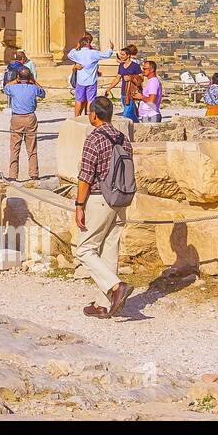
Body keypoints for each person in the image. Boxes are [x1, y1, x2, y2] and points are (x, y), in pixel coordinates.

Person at [73, 96, 135, 318]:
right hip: (121, 198)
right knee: (110, 248)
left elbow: (86, 176)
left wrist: (79, 205)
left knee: (85, 249)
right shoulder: (122, 137)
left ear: (94, 115)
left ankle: (116, 286)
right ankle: (104, 304)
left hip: (100, 199)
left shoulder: (94, 139)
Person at [4, 68, 46, 181]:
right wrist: (33, 81)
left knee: (14, 148)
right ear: (29, 77)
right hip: (30, 118)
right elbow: (43, 93)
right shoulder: (33, 88)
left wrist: (16, 80)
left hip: (17, 118)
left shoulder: (13, 88)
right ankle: (34, 173)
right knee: (32, 148)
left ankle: (13, 175)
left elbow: (5, 87)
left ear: (18, 76)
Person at [66, 34, 115, 117]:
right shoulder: (93, 53)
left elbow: (69, 54)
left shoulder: (77, 54)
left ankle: (76, 116)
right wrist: (111, 48)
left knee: (78, 100)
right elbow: (107, 55)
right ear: (88, 43)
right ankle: (89, 116)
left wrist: (76, 47)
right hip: (91, 81)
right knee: (90, 100)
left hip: (80, 81)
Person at [105, 45, 142, 122]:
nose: (121, 56)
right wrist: (109, 88)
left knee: (126, 114)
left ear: (128, 55)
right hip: (123, 93)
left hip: (131, 93)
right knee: (131, 114)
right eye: (120, 54)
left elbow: (141, 79)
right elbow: (117, 78)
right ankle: (137, 123)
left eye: (123, 54)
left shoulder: (135, 66)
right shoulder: (121, 65)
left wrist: (131, 78)